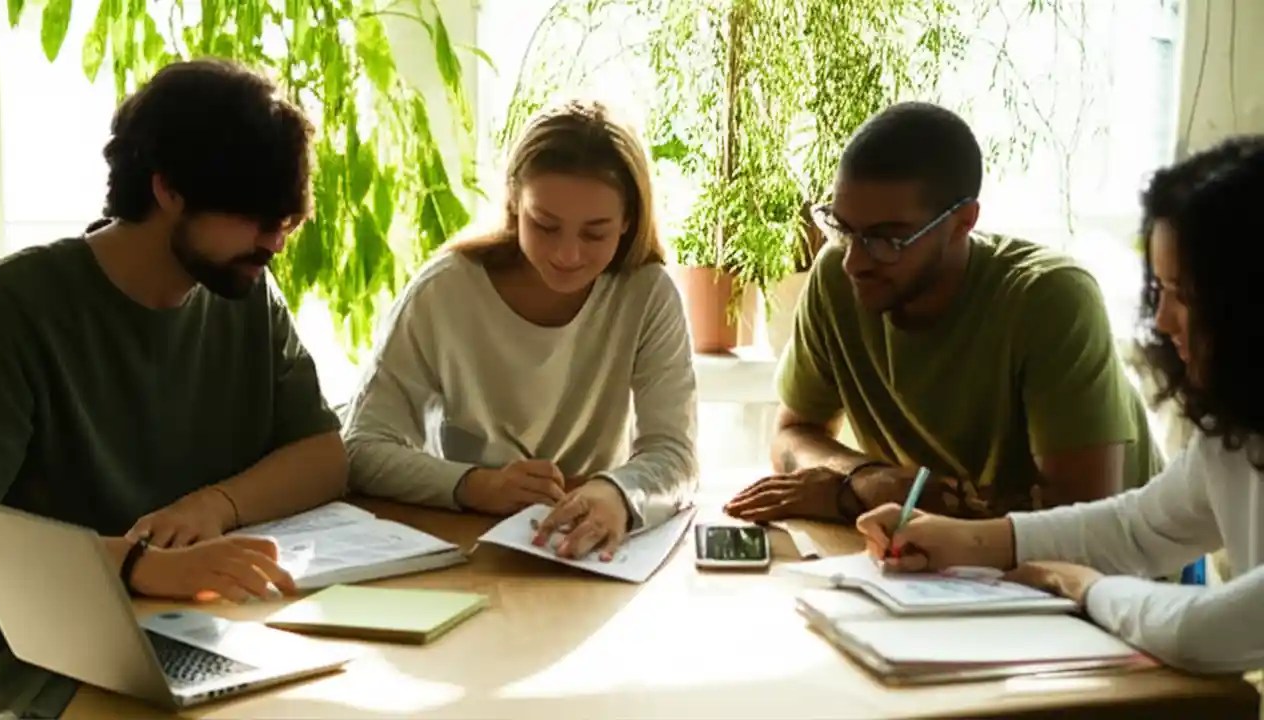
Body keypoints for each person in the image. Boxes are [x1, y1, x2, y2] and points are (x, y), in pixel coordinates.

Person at [855, 137, 1264, 674]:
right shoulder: (1236, 429)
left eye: (1184, 295)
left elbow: (1202, 632)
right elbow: (1139, 528)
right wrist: (960, 540)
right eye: (1159, 290)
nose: (1162, 320)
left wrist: (1085, 586)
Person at [0, 59, 346, 604]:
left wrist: (215, 504)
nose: (275, 244)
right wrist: (136, 565)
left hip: (210, 620)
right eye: (258, 220)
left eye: (286, 224)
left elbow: (322, 457)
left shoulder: (242, 292)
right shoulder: (11, 310)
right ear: (169, 190)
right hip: (47, 639)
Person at [726, 102, 1158, 525]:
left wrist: (857, 496)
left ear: (962, 222)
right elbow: (793, 434)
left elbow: (1081, 525)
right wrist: (867, 478)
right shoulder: (838, 280)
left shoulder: (1051, 299)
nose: (855, 261)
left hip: (1123, 577)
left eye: (887, 239)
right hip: (947, 568)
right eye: (843, 229)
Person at [344, 100, 697, 560]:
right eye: (545, 225)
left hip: (588, 548)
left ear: (629, 221)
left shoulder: (647, 294)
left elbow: (675, 454)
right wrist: (473, 485)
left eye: (595, 233)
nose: (567, 255)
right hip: (459, 539)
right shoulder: (445, 290)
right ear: (513, 202)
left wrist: (618, 495)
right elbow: (361, 448)